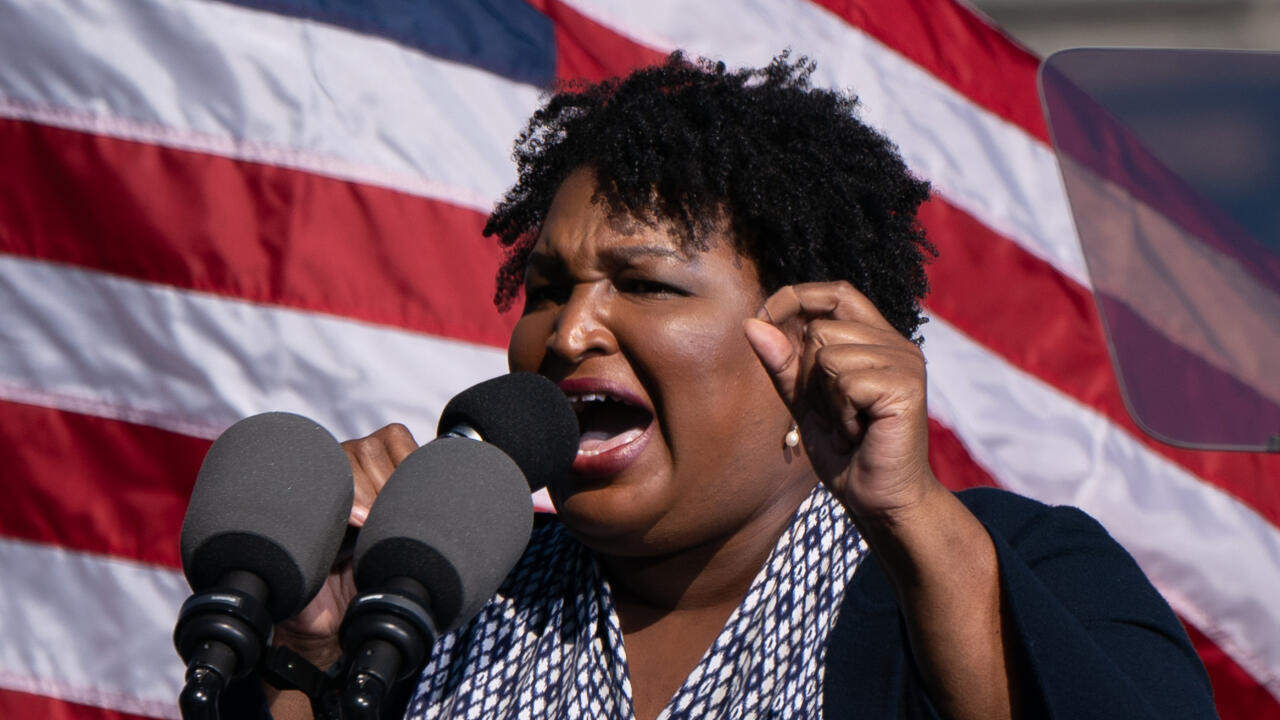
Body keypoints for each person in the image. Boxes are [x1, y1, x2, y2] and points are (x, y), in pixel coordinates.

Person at [265, 53, 1218, 719]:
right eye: (548, 290)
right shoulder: (441, 601)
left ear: (805, 339)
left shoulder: (1025, 567)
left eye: (645, 285)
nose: (571, 331)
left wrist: (910, 517)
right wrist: (317, 651)